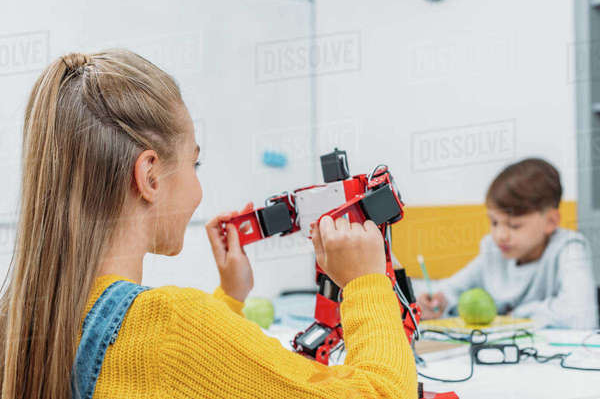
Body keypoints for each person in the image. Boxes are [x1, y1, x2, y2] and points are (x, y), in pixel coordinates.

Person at [0, 50, 417, 399]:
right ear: (149, 176)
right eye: (193, 162)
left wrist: (230, 295)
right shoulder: (174, 326)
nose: (198, 188)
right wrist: (364, 283)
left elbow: (165, 372)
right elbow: (382, 392)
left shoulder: (20, 322)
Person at [417, 158, 599, 329]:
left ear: (551, 221)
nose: (500, 235)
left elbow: (581, 315)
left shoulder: (569, 248)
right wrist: (439, 301)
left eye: (514, 225)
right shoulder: (494, 249)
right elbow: (453, 287)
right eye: (494, 223)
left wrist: (518, 314)